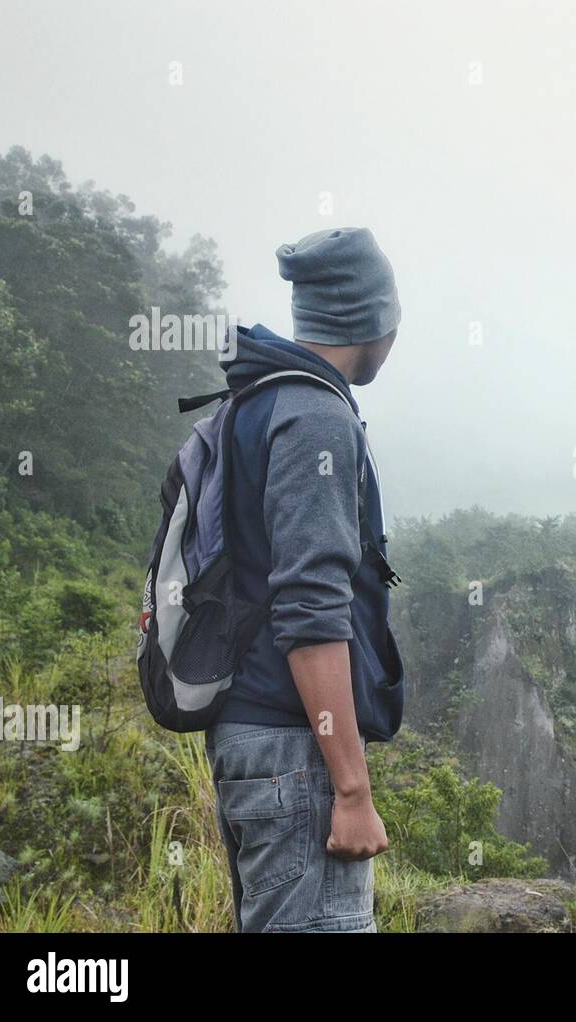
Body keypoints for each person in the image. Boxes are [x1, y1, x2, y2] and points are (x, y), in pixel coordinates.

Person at [203, 227, 405, 932]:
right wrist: (351, 787)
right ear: (376, 319)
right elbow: (311, 610)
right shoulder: (317, 416)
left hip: (256, 742)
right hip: (295, 752)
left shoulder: (252, 403)